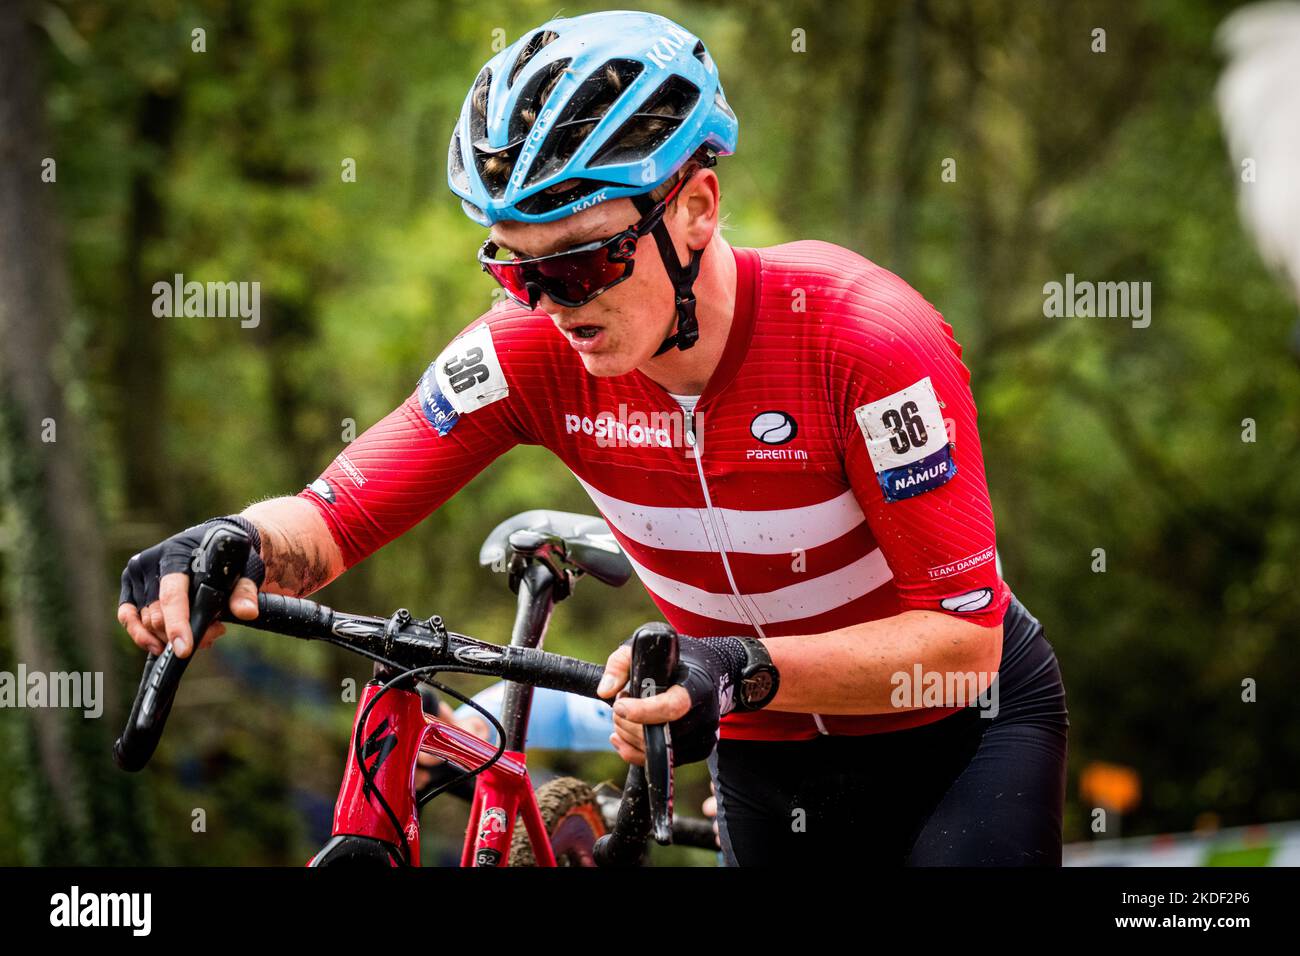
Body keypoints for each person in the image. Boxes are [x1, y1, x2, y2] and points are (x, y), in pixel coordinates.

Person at [118, 10, 1068, 866]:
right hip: (759, 742)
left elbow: (962, 646)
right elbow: (330, 522)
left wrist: (740, 666)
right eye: (518, 269)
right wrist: (233, 541)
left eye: (587, 260)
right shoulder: (531, 350)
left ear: (696, 208)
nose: (554, 304)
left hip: (958, 731)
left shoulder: (862, 338)